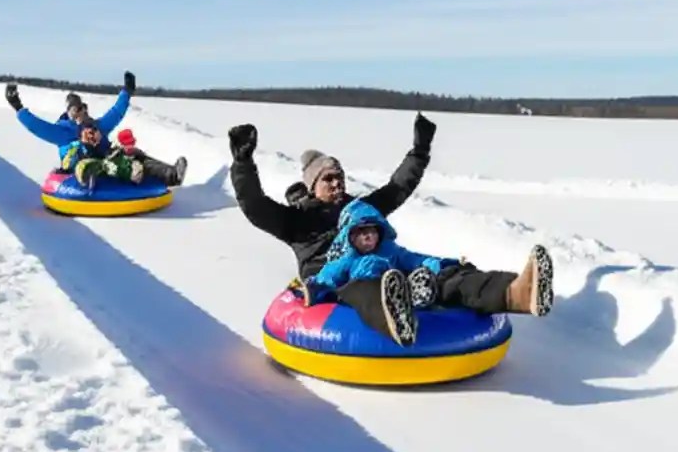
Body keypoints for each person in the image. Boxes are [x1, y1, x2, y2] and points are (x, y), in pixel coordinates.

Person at [227, 114, 553, 344]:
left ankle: (518, 293)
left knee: (443, 272)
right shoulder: (296, 222)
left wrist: (420, 151)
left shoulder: (359, 210)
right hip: (341, 281)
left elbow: (397, 188)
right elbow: (254, 206)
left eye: (340, 175)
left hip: (387, 265)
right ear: (313, 185)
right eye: (328, 178)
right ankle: (396, 316)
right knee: (365, 285)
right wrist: (243, 164)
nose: (337, 182)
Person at [300, 198, 454, 345]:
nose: (368, 236)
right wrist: (313, 286)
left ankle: (410, 294)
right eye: (361, 232)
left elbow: (415, 259)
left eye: (372, 231)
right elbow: (328, 275)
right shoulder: (347, 259)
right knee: (364, 284)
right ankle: (396, 311)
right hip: (363, 288)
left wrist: (437, 265)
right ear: (350, 237)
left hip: (388, 282)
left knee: (396, 273)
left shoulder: (390, 251)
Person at [4, 71, 133, 161]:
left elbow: (116, 112)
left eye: (80, 108)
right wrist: (17, 106)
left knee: (130, 156)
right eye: (74, 109)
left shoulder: (98, 126)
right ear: (68, 112)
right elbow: (36, 126)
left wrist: (127, 91)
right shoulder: (62, 132)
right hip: (79, 169)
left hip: (105, 163)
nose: (78, 113)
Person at [61, 121, 188, 189]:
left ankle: (172, 172)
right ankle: (172, 176)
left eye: (94, 132)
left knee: (138, 155)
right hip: (114, 172)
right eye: (88, 133)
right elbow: (73, 164)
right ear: (81, 135)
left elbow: (107, 154)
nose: (92, 135)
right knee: (140, 165)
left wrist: (122, 151)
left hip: (115, 166)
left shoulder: (98, 146)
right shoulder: (77, 148)